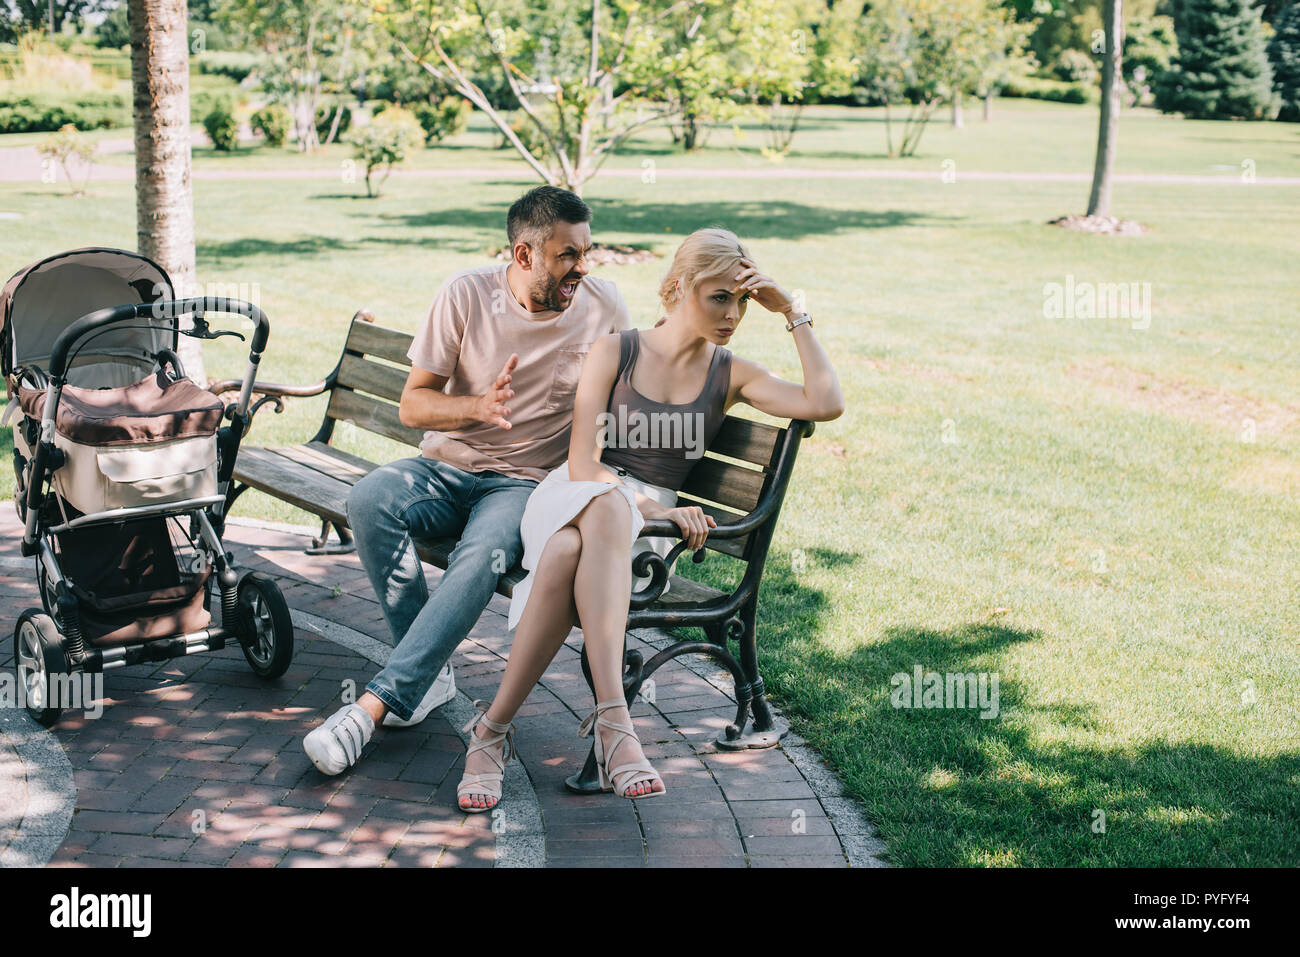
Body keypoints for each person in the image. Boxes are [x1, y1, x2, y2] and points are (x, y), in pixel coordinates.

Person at [455, 227, 845, 811]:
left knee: (566, 554)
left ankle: (490, 733)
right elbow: (584, 462)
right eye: (719, 297)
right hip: (579, 493)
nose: (733, 313)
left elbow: (826, 402)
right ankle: (616, 724)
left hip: (638, 538)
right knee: (607, 506)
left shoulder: (730, 373)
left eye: (741, 301)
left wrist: (793, 311)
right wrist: (650, 506)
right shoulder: (618, 349)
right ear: (679, 288)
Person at [304, 186, 630, 775]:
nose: (582, 268)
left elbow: (633, 396)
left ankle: (378, 705)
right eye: (566, 256)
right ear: (523, 254)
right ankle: (425, 678)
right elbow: (413, 406)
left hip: (525, 486)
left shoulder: (603, 308)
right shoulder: (466, 294)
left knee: (482, 554)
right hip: (447, 467)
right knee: (371, 495)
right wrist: (476, 408)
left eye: (588, 251)